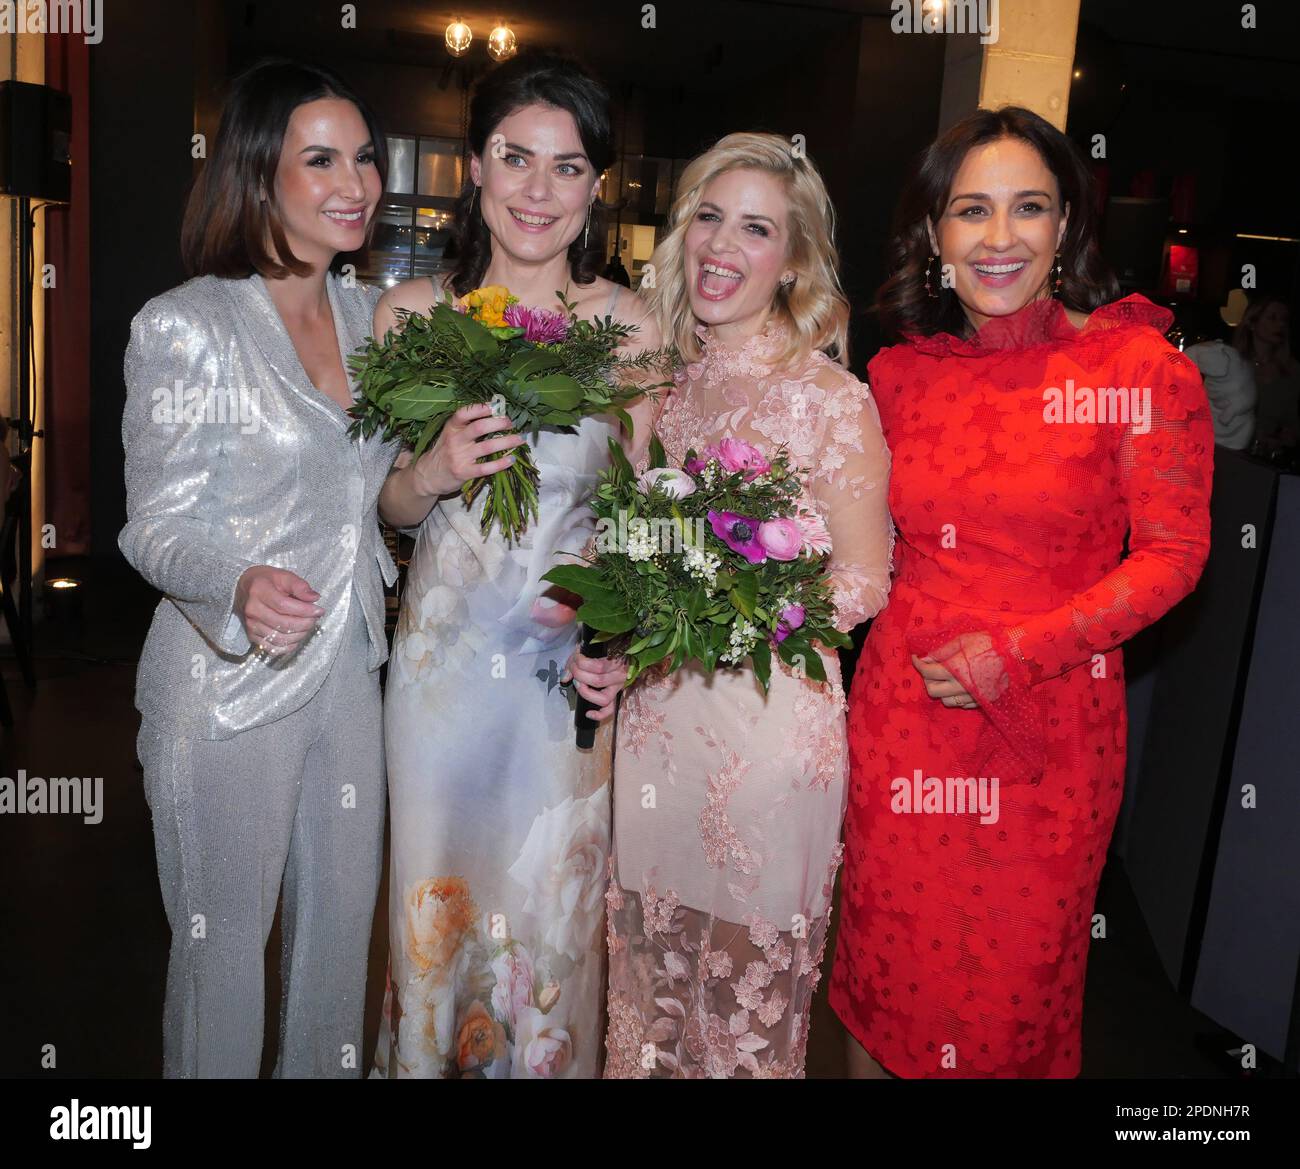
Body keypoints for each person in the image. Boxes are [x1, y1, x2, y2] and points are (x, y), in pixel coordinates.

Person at [827, 106, 1214, 1078]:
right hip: (898, 722)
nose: (998, 238)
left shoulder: (1135, 368)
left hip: (1045, 739)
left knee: (1000, 1008)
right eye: (971, 211)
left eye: (1028, 208)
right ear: (932, 233)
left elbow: (1172, 555)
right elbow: (863, 544)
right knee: (879, 984)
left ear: (1066, 227)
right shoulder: (897, 375)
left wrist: (1018, 651)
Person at [372, 50, 658, 1079]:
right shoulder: (408, 314)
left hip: (554, 679)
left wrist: (617, 637)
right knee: (436, 909)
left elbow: (637, 519)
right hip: (442, 675)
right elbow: (390, 504)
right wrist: (436, 468)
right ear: (475, 168)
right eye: (516, 158)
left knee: (548, 914)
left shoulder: (628, 327)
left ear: (594, 186)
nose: (539, 190)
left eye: (569, 166)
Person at [119, 59, 397, 1077]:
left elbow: (387, 485)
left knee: (337, 945)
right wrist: (234, 582)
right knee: (221, 958)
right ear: (256, 174)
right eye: (319, 157)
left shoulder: (377, 322)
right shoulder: (186, 323)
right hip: (223, 683)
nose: (355, 180)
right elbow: (152, 527)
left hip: (349, 669)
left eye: (363, 156)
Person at [603, 132, 893, 1079]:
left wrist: (747, 601)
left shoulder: (829, 399)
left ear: (794, 260)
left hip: (769, 739)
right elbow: (615, 532)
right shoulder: (657, 380)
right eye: (709, 218)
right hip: (653, 726)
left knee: (738, 1014)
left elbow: (863, 579)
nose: (723, 245)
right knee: (645, 1001)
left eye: (757, 228)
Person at [1234, 294, 1299, 451]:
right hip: (1228, 449)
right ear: (1252, 323)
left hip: (1265, 457)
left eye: (1284, 319)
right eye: (1272, 318)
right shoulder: (1232, 362)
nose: (1281, 324)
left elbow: (1292, 419)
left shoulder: (1292, 369)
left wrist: (1287, 436)